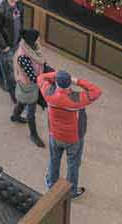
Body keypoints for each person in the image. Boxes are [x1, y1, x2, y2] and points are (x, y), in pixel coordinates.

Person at [37, 69, 100, 199]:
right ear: (69, 84)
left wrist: (56, 75)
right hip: (73, 138)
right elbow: (96, 91)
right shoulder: (77, 99)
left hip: (54, 134)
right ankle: (71, 191)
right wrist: (76, 80)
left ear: (57, 83)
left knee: (54, 159)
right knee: (73, 164)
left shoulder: (48, 93)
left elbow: (41, 77)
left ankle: (51, 183)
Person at [9, 27, 47, 145]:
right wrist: (46, 82)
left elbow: (39, 62)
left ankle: (15, 116)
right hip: (28, 87)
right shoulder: (23, 57)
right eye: (36, 40)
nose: (37, 42)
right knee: (31, 112)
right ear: (30, 41)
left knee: (21, 102)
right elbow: (33, 77)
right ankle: (33, 135)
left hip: (25, 85)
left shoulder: (30, 47)